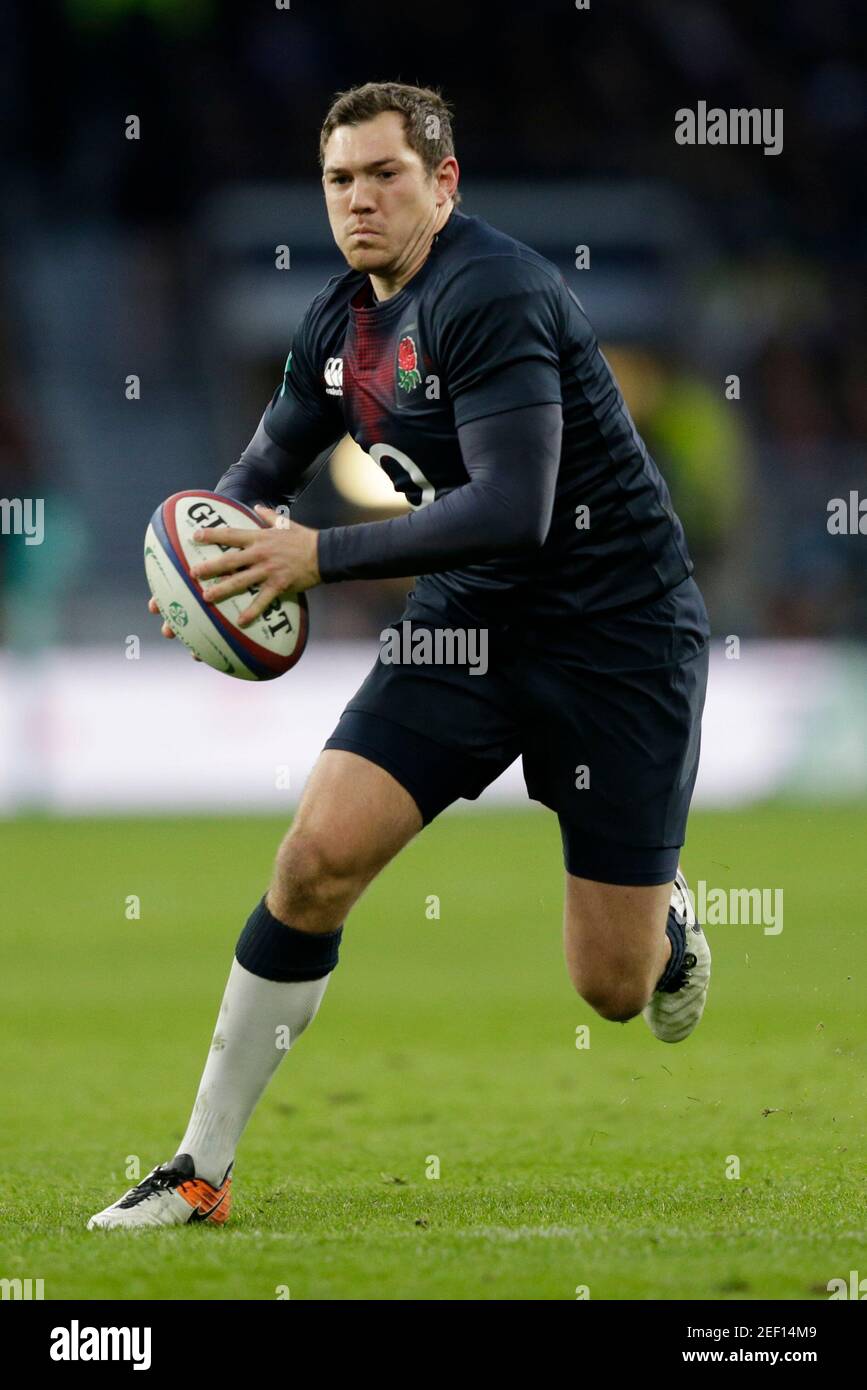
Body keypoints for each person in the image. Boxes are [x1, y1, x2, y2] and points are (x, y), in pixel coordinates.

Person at [88, 81, 711, 1231]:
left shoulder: (496, 293)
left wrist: (315, 558)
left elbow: (516, 507)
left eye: (387, 175)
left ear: (444, 183)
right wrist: (200, 562)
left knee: (613, 990)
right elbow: (254, 478)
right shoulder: (336, 328)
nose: (361, 199)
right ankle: (198, 1170)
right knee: (314, 861)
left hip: (614, 634)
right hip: (468, 623)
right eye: (340, 179)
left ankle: (663, 912)